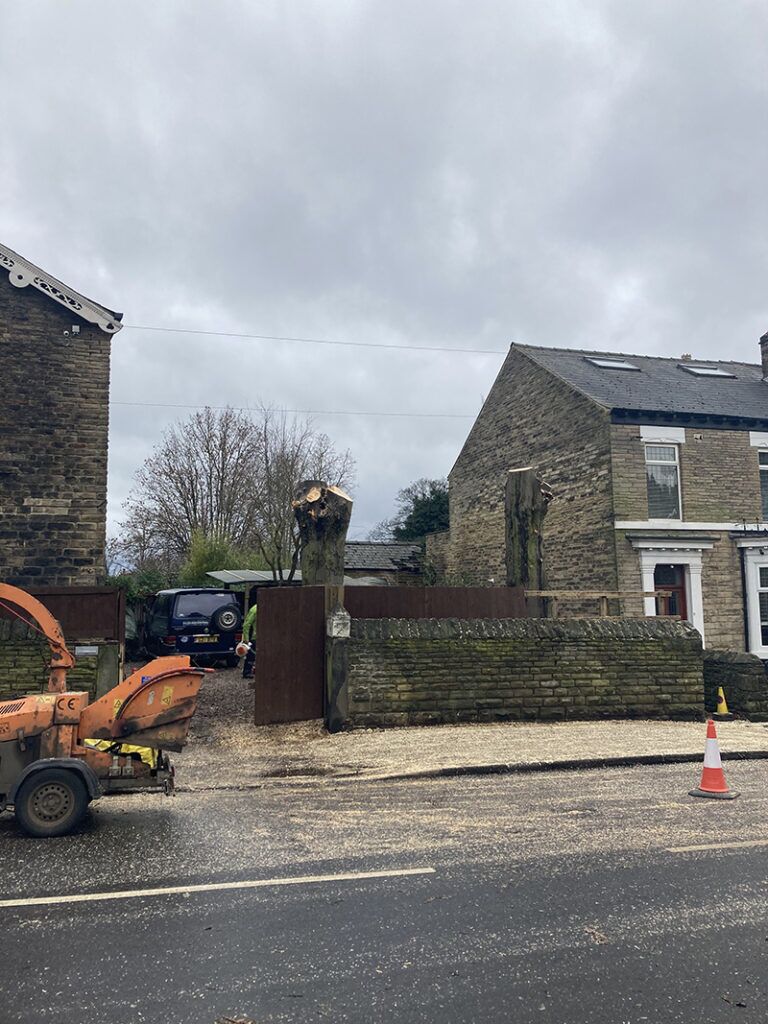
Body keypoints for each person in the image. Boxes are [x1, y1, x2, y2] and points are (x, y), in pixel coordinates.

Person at [241, 600, 257, 679]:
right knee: (251, 655)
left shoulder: (255, 608)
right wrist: (246, 639)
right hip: (256, 637)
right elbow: (246, 625)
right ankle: (247, 672)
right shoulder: (255, 609)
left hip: (262, 636)